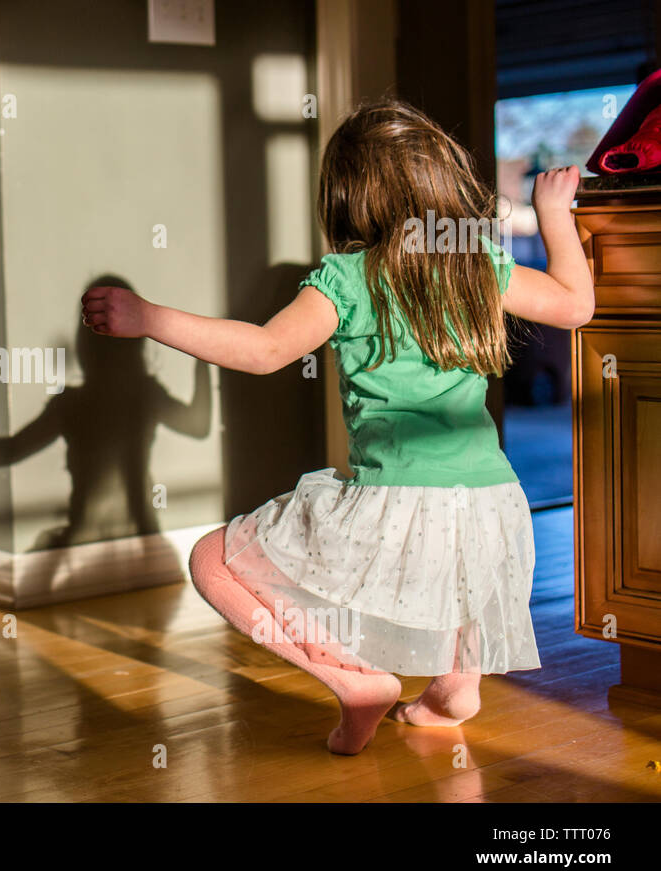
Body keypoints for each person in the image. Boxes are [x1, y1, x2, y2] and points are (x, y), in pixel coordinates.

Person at [80, 99, 594, 755]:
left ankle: (355, 683)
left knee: (212, 559)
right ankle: (454, 691)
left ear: (348, 199)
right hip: (496, 503)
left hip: (397, 500)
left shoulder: (347, 279)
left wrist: (150, 318)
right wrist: (554, 215)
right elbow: (576, 306)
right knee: (458, 572)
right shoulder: (478, 269)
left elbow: (267, 351)